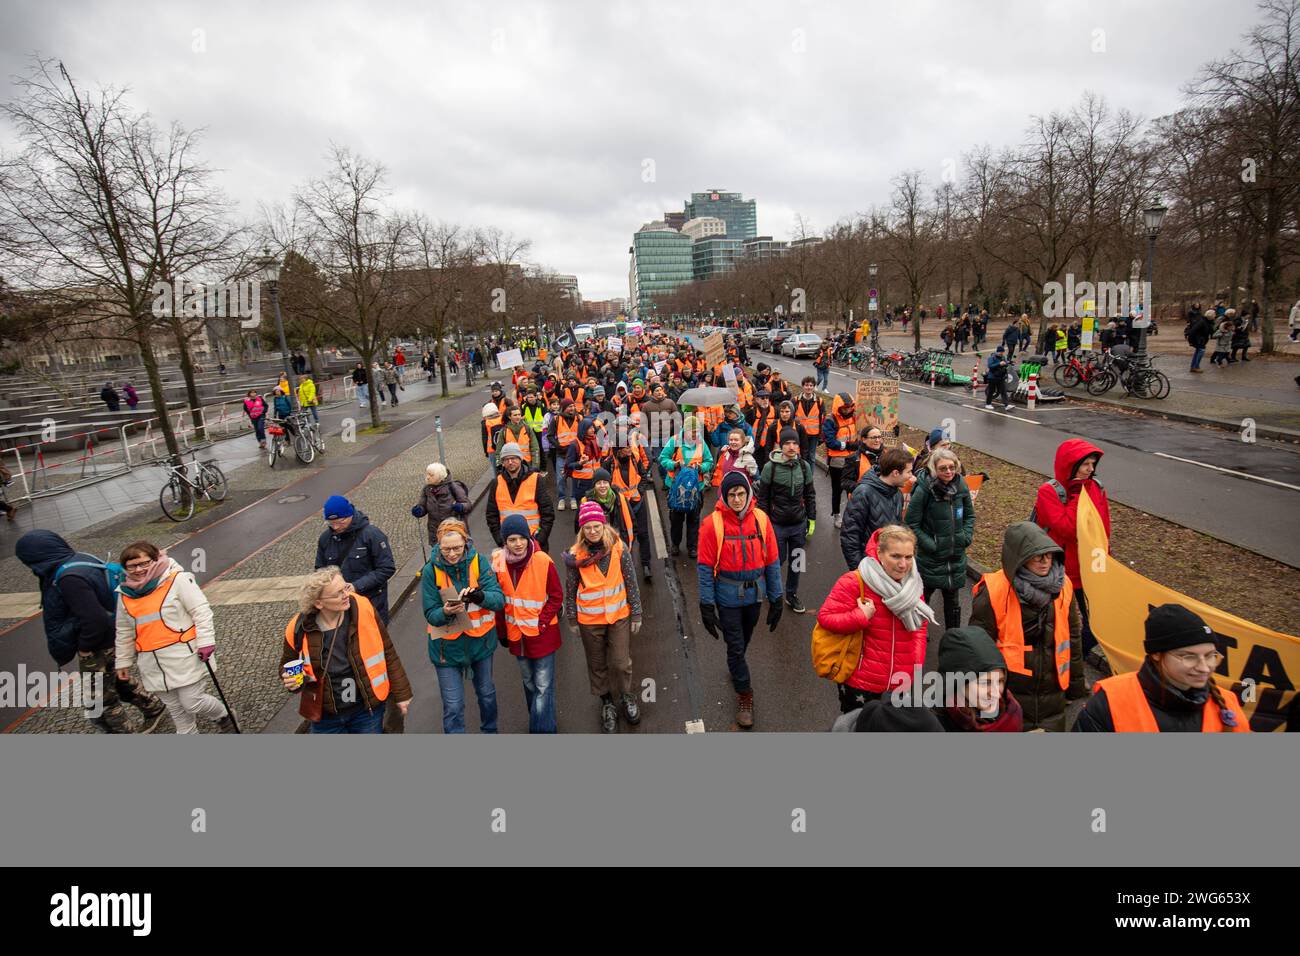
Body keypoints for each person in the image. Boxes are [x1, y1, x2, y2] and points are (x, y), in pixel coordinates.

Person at [16, 530, 166, 734]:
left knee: (99, 700)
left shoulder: (68, 578)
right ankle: (153, 707)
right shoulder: (80, 559)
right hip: (113, 636)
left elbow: (94, 619)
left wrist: (85, 647)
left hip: (98, 645)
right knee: (117, 680)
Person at [969, 521, 1084, 731]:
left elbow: (1073, 638)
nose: (1045, 561)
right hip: (1009, 696)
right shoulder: (994, 591)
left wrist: (1075, 687)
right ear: (1019, 558)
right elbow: (978, 651)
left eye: (1049, 554)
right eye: (1037, 555)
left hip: (1053, 700)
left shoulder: (1063, 586)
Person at [114, 541, 234, 734]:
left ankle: (224, 715)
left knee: (192, 703)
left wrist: (205, 643)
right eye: (132, 566)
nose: (139, 569)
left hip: (186, 657)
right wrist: (123, 662)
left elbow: (201, 611)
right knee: (177, 712)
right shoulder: (124, 593)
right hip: (152, 665)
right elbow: (123, 630)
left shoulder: (177, 580)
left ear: (155, 560)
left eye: (144, 563)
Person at [816, 525, 938, 715]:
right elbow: (826, 618)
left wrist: (916, 663)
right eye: (895, 556)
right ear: (879, 554)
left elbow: (919, 627)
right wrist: (860, 617)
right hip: (861, 682)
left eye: (908, 557)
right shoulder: (855, 581)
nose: (903, 564)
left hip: (900, 682)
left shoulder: (913, 585)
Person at [1073, 604, 1250, 733]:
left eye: (1211, 655)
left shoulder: (1228, 703)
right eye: (1189, 657)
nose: (1204, 668)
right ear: (1156, 654)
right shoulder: (1111, 700)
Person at [696, 472, 783, 728]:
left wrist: (776, 598)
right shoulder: (712, 524)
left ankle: (736, 666)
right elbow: (704, 567)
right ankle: (745, 695)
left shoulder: (761, 519)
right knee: (735, 646)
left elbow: (772, 562)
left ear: (748, 494)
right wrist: (706, 604)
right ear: (724, 495)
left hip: (755, 596)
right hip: (727, 597)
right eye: (731, 494)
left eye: (741, 494)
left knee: (743, 641)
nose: (736, 499)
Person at [282, 567, 412, 734]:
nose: (346, 595)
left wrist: (402, 694)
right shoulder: (297, 628)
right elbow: (286, 667)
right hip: (325, 717)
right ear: (318, 603)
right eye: (338, 593)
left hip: (366, 712)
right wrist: (292, 682)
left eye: (345, 588)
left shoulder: (363, 609)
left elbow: (388, 651)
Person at [564, 502, 643, 733]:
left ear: (603, 525)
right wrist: (571, 619)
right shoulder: (574, 556)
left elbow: (631, 582)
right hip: (590, 621)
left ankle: (627, 695)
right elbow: (571, 590)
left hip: (618, 616)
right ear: (581, 529)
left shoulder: (618, 548)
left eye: (596, 526)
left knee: (620, 662)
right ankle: (607, 702)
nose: (592, 531)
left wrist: (636, 611)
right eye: (587, 527)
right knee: (597, 665)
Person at [422, 518, 506, 734]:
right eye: (446, 549)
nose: (452, 554)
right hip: (446, 650)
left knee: (487, 695)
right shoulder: (431, 571)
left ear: (466, 543)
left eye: (457, 548)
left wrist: (480, 596)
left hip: (481, 643)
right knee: (453, 706)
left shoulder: (478, 562)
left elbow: (498, 600)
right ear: (438, 546)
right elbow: (430, 613)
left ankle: (490, 732)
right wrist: (445, 612)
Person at [1033, 438, 1109, 667]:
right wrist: (1078, 493)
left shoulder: (1097, 487)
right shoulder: (1049, 492)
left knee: (1096, 625)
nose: (1091, 470)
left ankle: (1073, 662)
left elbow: (1102, 527)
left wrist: (1104, 558)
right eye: (1085, 464)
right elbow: (1067, 528)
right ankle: (1058, 667)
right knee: (1059, 623)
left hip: (1091, 568)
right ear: (1071, 465)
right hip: (1062, 571)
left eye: (1093, 464)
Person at [489, 514, 563, 733]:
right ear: (505, 542)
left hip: (542, 636)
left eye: (521, 538)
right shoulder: (498, 563)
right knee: (529, 684)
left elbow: (556, 596)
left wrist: (541, 624)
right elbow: (500, 603)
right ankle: (543, 723)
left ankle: (542, 731)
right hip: (516, 637)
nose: (518, 544)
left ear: (528, 537)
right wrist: (501, 632)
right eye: (512, 540)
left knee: (542, 687)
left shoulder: (542, 560)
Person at [905, 448, 975, 630]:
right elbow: (912, 522)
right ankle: (919, 632)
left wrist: (965, 537)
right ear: (934, 468)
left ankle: (954, 637)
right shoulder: (923, 490)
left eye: (952, 467)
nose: (949, 472)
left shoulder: (961, 486)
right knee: (924, 597)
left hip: (955, 556)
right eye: (943, 468)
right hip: (931, 558)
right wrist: (931, 545)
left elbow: (969, 515)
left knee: (953, 601)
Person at [757, 428, 816, 615]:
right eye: (787, 443)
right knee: (777, 560)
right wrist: (763, 522)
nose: (791, 447)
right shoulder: (770, 467)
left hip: (798, 524)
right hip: (777, 525)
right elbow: (763, 498)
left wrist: (811, 519)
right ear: (780, 446)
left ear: (799, 446)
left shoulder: (804, 467)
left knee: (797, 562)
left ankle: (791, 595)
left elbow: (810, 494)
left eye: (794, 443)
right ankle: (772, 591)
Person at [315, 495, 397, 624]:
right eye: (331, 523)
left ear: (350, 515)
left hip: (371, 603)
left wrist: (356, 586)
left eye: (340, 522)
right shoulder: (325, 539)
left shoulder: (372, 535)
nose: (335, 527)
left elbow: (386, 568)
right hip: (339, 607)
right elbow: (320, 571)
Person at [929, 626, 1023, 732]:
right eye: (985, 683)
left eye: (1000, 681)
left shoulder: (1010, 712)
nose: (996, 693)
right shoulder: (934, 726)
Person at [840, 446, 912, 570]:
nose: (911, 476)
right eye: (909, 472)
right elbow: (849, 535)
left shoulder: (897, 494)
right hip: (869, 566)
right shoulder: (863, 493)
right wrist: (859, 569)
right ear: (895, 473)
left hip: (889, 566)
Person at [660, 414, 714, 559]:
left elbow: (709, 461)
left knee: (694, 520)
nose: (695, 435)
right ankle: (675, 544)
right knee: (676, 520)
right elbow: (662, 458)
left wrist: (701, 467)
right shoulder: (675, 441)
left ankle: (692, 547)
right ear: (685, 429)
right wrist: (675, 464)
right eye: (693, 431)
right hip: (676, 488)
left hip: (696, 489)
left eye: (697, 432)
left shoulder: (701, 443)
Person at [487, 442, 555, 552]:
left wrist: (540, 539)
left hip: (534, 543)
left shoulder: (536, 480)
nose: (510, 462)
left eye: (513, 458)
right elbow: (491, 515)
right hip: (509, 545)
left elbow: (548, 513)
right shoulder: (496, 483)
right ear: (502, 463)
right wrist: (500, 540)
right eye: (506, 459)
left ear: (520, 459)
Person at [821, 392, 858, 527]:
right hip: (837, 462)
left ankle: (851, 515)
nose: (848, 409)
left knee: (852, 490)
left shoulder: (854, 417)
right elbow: (830, 442)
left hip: (853, 461)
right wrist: (848, 445)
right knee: (837, 490)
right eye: (845, 407)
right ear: (839, 407)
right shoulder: (831, 420)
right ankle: (836, 515)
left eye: (850, 407)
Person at [411, 462, 470, 547]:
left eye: (431, 475)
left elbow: (467, 504)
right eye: (427, 474)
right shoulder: (427, 489)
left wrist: (461, 507)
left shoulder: (453, 487)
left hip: (453, 529)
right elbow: (423, 505)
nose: (427, 477)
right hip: (435, 530)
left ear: (440, 476)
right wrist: (419, 510)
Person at [495, 403, 542, 470]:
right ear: (509, 417)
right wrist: (499, 465)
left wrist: (535, 465)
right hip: (511, 466)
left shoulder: (527, 429)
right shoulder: (504, 431)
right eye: (515, 415)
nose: (518, 417)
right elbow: (499, 450)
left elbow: (535, 448)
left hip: (527, 464)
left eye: (519, 414)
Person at [794, 377, 824, 466]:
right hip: (800, 433)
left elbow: (822, 419)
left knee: (811, 457)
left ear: (814, 387)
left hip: (813, 435)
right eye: (806, 385)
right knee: (800, 456)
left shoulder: (819, 401)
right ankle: (801, 476)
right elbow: (791, 417)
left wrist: (821, 435)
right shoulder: (796, 400)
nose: (809, 387)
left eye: (811, 385)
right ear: (803, 386)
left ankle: (810, 478)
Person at [984, 344, 1013, 410]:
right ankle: (988, 404)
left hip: (1001, 377)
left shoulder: (1003, 357)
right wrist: (999, 364)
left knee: (1003, 391)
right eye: (1001, 352)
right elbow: (990, 366)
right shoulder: (991, 358)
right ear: (997, 351)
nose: (1002, 353)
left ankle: (1006, 405)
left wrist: (1007, 364)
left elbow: (1006, 363)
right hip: (992, 377)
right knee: (991, 391)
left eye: (1003, 352)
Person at [1184, 308, 1213, 372]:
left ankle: (1193, 367)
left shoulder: (1205, 321)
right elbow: (1193, 330)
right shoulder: (1202, 322)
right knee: (1200, 352)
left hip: (1200, 340)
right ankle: (1196, 366)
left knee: (1198, 352)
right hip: (1199, 340)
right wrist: (1191, 340)